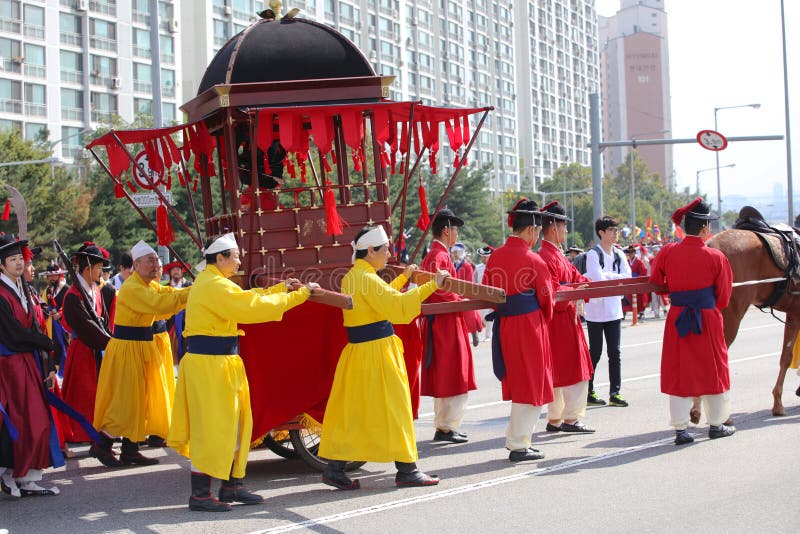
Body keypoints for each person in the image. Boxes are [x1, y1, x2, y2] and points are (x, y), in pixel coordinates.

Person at [168, 233, 314, 512]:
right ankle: (200, 494)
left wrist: (281, 289)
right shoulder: (213, 285)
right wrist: (298, 296)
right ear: (219, 258)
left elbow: (247, 297)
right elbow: (251, 307)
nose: (239, 261)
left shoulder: (215, 282)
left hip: (220, 363)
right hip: (210, 366)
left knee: (234, 426)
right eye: (235, 256)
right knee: (211, 429)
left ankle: (231, 485)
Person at [320, 226, 445, 489]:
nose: (389, 253)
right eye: (385, 249)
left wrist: (405, 279)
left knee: (352, 411)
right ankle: (407, 469)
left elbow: (381, 298)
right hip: (377, 352)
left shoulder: (353, 277)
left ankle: (335, 468)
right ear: (371, 251)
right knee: (396, 409)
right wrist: (433, 283)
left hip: (357, 353)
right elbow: (398, 308)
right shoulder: (368, 279)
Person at [92, 240, 190, 467]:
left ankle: (130, 449)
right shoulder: (133, 288)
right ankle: (102, 444)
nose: (156, 265)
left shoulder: (148, 285)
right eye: (150, 261)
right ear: (136, 264)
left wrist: (191, 290)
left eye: (157, 260)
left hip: (141, 346)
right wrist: (195, 291)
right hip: (128, 348)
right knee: (125, 402)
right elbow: (160, 305)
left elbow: (168, 293)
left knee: (141, 401)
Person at [649, 198, 735, 445]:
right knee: (714, 369)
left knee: (679, 371)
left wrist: (676, 294)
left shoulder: (667, 252)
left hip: (678, 316)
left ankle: (681, 430)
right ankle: (716, 424)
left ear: (684, 227)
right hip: (707, 317)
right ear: (706, 228)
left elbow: (656, 282)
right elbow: (724, 297)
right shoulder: (716, 257)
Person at [482, 199, 554, 461]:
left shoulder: (496, 256)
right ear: (532, 230)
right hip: (529, 325)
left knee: (520, 381)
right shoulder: (533, 260)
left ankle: (518, 440)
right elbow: (547, 298)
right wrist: (543, 318)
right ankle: (519, 444)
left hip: (506, 325)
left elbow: (487, 290)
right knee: (531, 383)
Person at [0, 235, 62, 497]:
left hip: (26, 361)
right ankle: (9, 474)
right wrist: (42, 341)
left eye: (19, 259)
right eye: (12, 260)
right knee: (15, 420)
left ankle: (27, 476)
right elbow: (12, 333)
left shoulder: (24, 289)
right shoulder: (2, 294)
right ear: (1, 265)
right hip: (8, 365)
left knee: (35, 419)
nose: (18, 263)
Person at [537, 201, 595, 434]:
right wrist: (577, 290)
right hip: (560, 319)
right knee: (573, 370)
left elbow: (576, 277)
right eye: (564, 226)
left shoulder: (555, 254)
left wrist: (581, 285)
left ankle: (556, 418)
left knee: (560, 372)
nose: (566, 231)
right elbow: (554, 291)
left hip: (562, 319)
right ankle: (569, 418)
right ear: (553, 228)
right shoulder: (547, 256)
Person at [420, 208, 476, 443]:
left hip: (444, 320)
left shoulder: (436, 254)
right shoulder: (439, 257)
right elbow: (441, 292)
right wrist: (460, 299)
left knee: (449, 372)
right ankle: (446, 427)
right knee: (451, 373)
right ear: (445, 230)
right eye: (455, 229)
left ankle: (447, 425)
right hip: (445, 321)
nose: (456, 234)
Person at [60, 243, 113, 448]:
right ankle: (80, 431)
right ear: (88, 267)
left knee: (98, 392)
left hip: (97, 348)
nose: (101, 272)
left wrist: (109, 338)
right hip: (83, 349)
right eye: (99, 267)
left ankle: (97, 429)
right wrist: (108, 342)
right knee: (84, 392)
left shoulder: (95, 290)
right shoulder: (73, 295)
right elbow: (84, 326)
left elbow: (103, 320)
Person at [584, 216, 631, 407]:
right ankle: (588, 390)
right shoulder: (593, 254)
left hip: (614, 310)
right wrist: (615, 278)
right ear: (601, 232)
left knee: (615, 353)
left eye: (616, 230)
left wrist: (610, 277)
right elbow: (597, 279)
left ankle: (615, 392)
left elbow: (627, 277)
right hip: (596, 311)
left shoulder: (619, 254)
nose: (615, 233)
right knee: (594, 352)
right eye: (611, 230)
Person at [39, 263, 70, 376]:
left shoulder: (66, 289)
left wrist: (60, 313)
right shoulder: (47, 290)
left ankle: (66, 371)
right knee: (53, 345)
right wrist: (47, 310)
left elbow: (71, 305)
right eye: (49, 276)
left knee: (65, 346)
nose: (51, 278)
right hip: (50, 323)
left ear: (59, 276)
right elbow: (42, 304)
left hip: (64, 324)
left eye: (54, 276)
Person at [451, 243, 483, 347]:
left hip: (466, 293)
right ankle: (461, 337)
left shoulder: (467, 266)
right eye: (454, 252)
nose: (455, 255)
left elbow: (469, 281)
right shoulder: (452, 265)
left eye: (457, 252)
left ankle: (474, 333)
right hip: (455, 293)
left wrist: (464, 293)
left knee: (469, 316)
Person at [622, 245, 649, 319]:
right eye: (629, 253)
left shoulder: (639, 261)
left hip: (637, 281)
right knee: (627, 297)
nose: (630, 254)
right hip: (629, 281)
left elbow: (643, 271)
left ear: (634, 253)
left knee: (639, 297)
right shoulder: (627, 261)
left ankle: (641, 312)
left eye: (631, 252)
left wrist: (638, 279)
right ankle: (624, 312)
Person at [473, 246, 494, 343]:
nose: (484, 258)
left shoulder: (495, 266)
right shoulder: (477, 268)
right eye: (482, 257)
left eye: (486, 257)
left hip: (491, 294)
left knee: (489, 314)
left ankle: (488, 335)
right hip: (481, 294)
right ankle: (483, 328)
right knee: (482, 315)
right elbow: (474, 281)